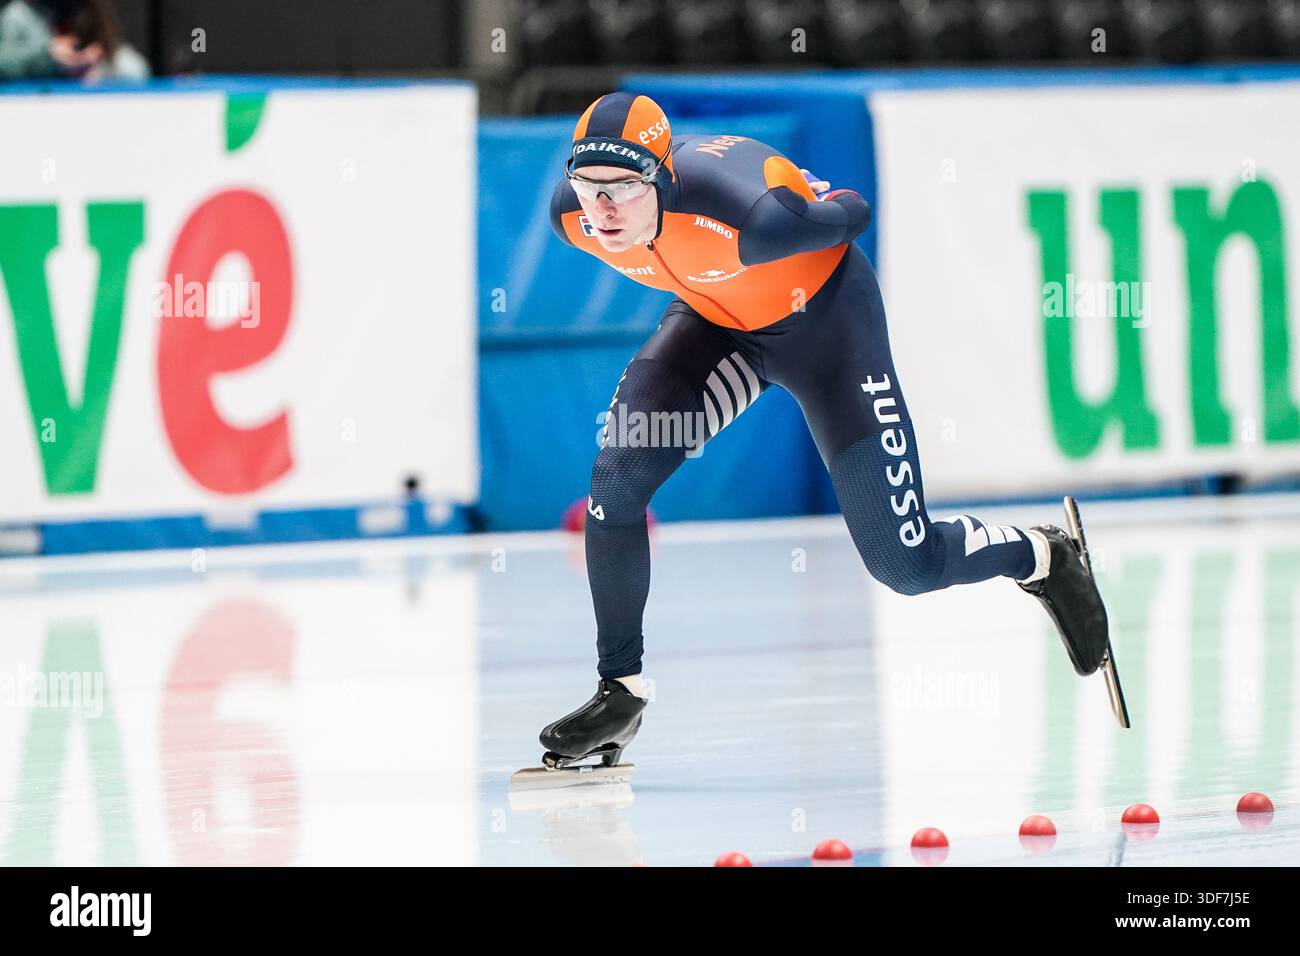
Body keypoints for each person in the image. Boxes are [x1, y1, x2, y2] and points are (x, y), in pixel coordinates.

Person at [532, 91, 1121, 775]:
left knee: (908, 566)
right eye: (589, 183)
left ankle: (1042, 556)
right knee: (616, 481)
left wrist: (805, 197)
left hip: (830, 336)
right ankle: (620, 692)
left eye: (624, 187)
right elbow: (631, 229)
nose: (602, 209)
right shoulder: (569, 217)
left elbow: (853, 212)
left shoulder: (746, 214)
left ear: (660, 176)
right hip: (719, 330)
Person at [0, 0, 148, 82]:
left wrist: (98, 69)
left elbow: (132, 68)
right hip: (34, 96)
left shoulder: (91, 8)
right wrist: (47, 58)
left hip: (86, 93)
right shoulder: (17, 14)